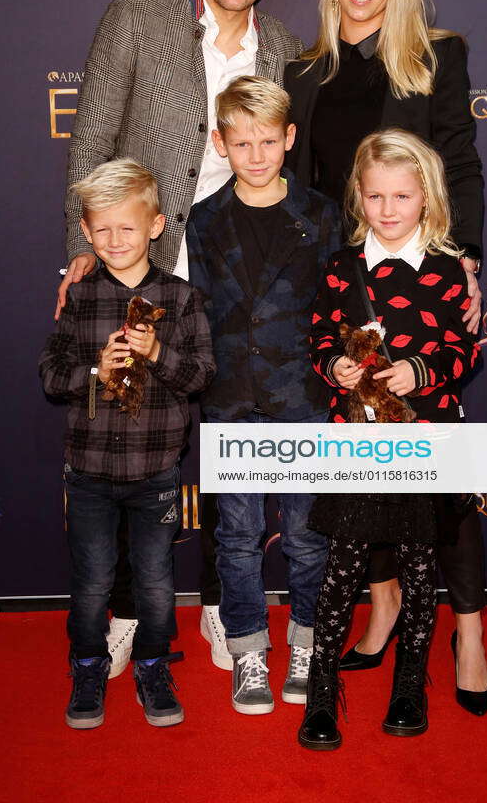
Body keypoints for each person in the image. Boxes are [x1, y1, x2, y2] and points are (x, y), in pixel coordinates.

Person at [57, 0, 302, 674]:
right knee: (135, 450)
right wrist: (82, 250)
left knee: (229, 452)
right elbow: (91, 141)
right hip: (142, 274)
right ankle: (128, 610)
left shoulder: (285, 47)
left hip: (238, 291)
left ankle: (221, 609)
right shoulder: (135, 18)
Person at [284, 0, 487, 710]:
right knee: (361, 460)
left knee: (441, 479)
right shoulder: (304, 74)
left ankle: (467, 632)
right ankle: (384, 606)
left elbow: (460, 164)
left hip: (423, 281)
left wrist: (464, 261)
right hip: (348, 290)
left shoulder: (435, 58)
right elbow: (303, 193)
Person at [298, 129, 482, 750]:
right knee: (341, 569)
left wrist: (420, 372)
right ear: (359, 195)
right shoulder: (341, 267)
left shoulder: (448, 271)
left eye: (402, 196)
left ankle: (409, 689)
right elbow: (320, 338)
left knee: (419, 566)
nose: (388, 209)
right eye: (375, 196)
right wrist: (335, 367)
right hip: (358, 440)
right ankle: (322, 695)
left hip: (427, 436)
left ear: (426, 196)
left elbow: (464, 349)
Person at [39, 160, 215, 729]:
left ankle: (153, 665)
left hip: (156, 471)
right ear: (85, 232)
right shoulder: (80, 297)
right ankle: (88, 665)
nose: (115, 241)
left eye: (128, 228)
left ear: (156, 226)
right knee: (92, 581)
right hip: (88, 470)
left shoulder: (181, 299)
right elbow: (51, 375)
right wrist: (96, 371)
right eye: (103, 230)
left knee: (156, 582)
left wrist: (157, 353)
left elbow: (202, 376)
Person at [186, 76, 340, 714]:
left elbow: (336, 308)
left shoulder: (321, 214)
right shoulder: (203, 219)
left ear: (290, 138)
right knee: (238, 537)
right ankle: (249, 650)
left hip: (302, 398)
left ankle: (307, 642)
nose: (256, 155)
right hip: (229, 400)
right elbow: (198, 311)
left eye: (268, 141)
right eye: (242, 142)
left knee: (305, 535)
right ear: (220, 143)